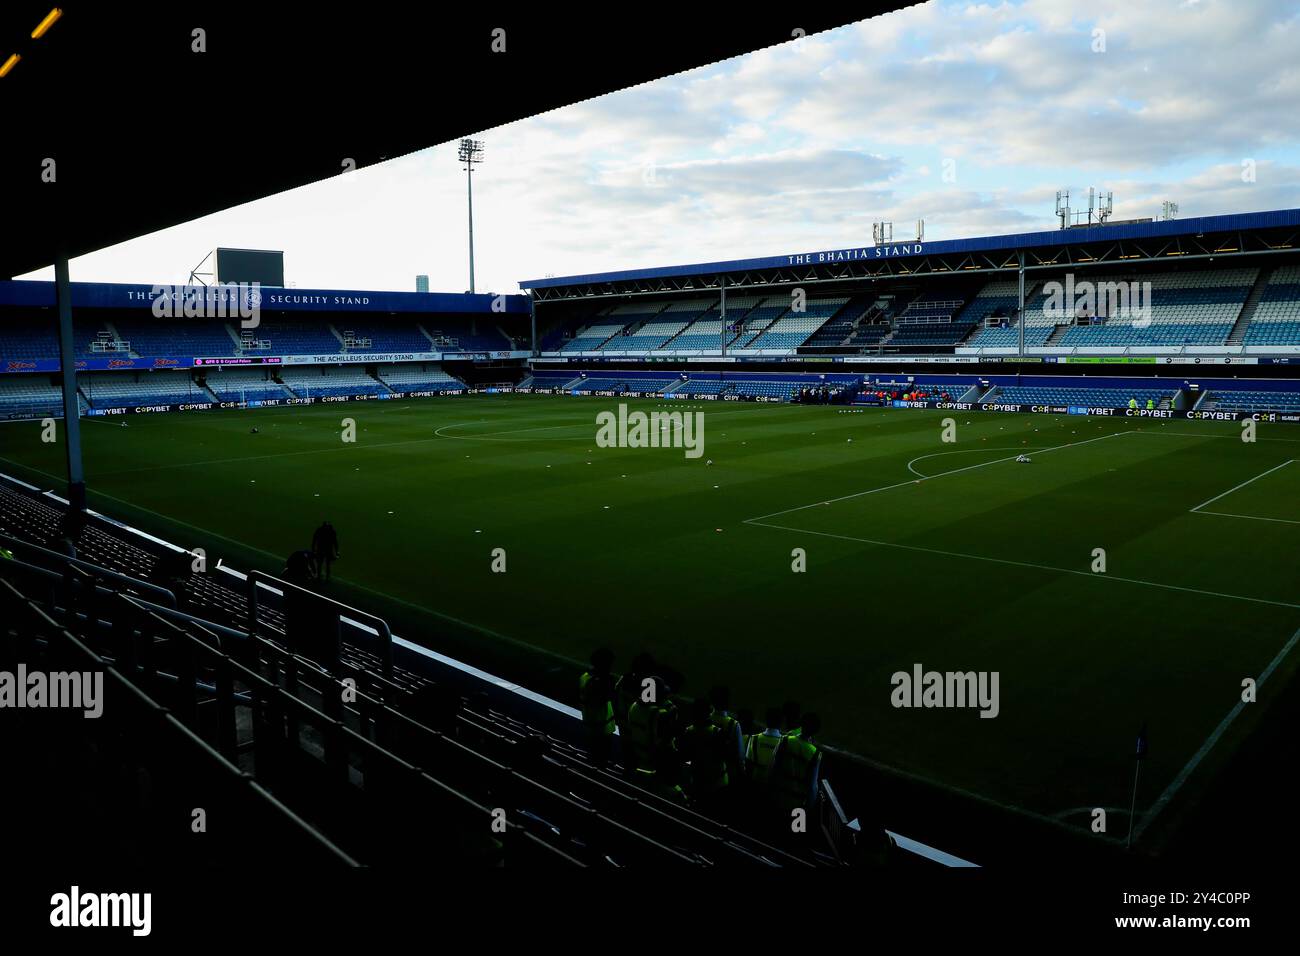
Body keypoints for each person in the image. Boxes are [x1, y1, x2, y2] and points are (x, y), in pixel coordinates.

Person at [772, 713, 823, 814]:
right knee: (795, 830)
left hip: (778, 797)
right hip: (798, 805)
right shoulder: (815, 753)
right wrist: (809, 808)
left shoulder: (785, 740)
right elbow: (812, 787)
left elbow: (772, 768)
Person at [579, 648, 617, 767]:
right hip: (601, 728)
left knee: (594, 755)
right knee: (600, 759)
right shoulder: (599, 682)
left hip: (592, 724)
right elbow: (604, 699)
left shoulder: (585, 676)